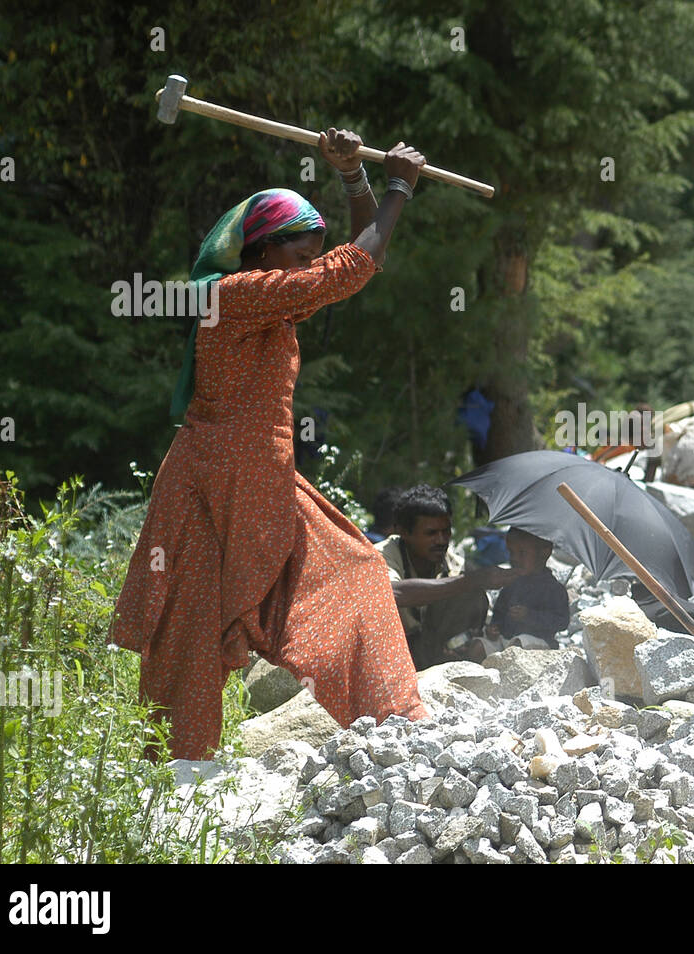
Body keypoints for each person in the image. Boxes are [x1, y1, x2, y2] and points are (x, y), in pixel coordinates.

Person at [110, 131, 430, 760]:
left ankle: (399, 728)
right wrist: (398, 187)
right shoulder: (237, 297)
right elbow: (347, 269)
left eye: (313, 257)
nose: (310, 266)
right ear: (262, 253)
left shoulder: (274, 302)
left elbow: (353, 264)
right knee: (189, 626)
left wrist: (354, 179)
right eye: (300, 255)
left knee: (359, 570)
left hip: (262, 481)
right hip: (209, 484)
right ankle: (175, 775)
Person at [375, 484, 518, 668]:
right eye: (431, 533)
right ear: (403, 532)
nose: (442, 540)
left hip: (433, 657)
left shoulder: (456, 565)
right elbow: (393, 593)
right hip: (388, 657)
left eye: (446, 531)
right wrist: (470, 580)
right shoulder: (381, 555)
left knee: (474, 595)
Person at [487, 528, 571, 647]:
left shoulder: (554, 589)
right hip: (506, 640)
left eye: (522, 553)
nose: (514, 558)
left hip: (539, 644)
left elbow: (561, 622)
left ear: (545, 552)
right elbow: (499, 612)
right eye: (511, 552)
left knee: (519, 643)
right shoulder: (511, 584)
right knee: (479, 646)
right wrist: (494, 627)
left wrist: (529, 615)